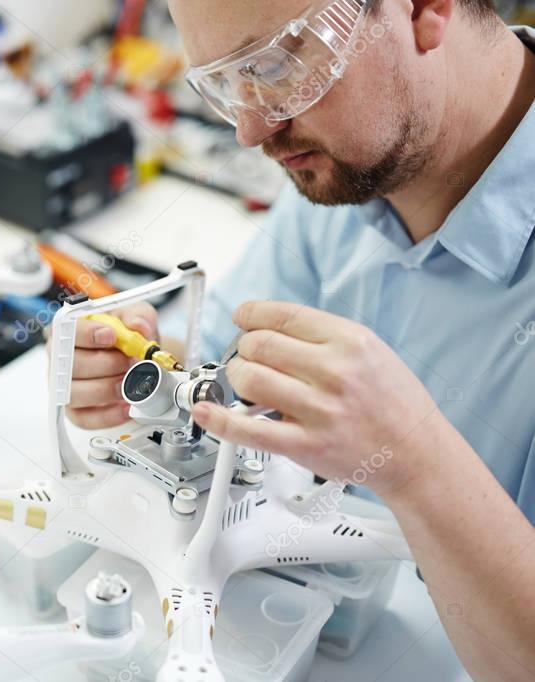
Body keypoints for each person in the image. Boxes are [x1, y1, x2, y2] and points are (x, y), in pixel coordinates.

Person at [64, 1, 535, 678]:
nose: (252, 131)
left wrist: (414, 461)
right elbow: (226, 384)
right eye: (226, 86)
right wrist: (152, 371)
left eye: (278, 63)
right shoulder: (355, 160)